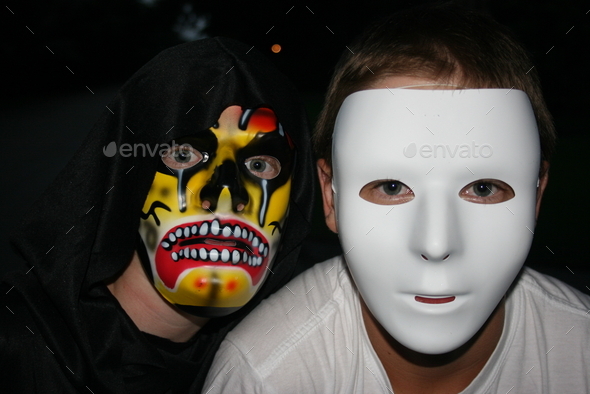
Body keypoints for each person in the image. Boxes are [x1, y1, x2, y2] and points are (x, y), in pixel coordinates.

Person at [203, 5, 590, 393]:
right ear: (330, 196)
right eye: (391, 187)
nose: (436, 244)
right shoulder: (265, 376)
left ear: (536, 196)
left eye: (482, 188)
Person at [0, 37, 315, 393]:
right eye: (184, 156)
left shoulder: (278, 368)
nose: (226, 195)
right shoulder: (16, 350)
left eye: (259, 164)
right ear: (126, 175)